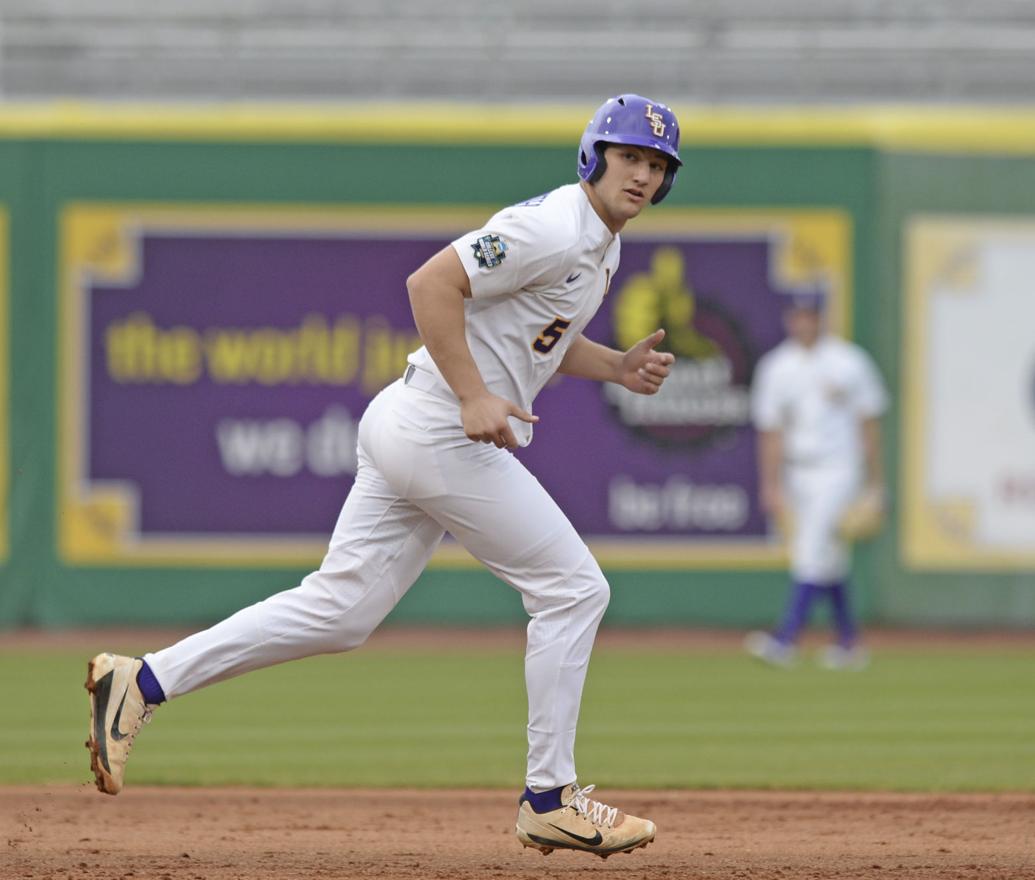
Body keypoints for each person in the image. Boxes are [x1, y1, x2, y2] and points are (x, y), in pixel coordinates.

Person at [85, 94, 682, 859]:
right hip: (437, 426)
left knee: (340, 612)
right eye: (628, 156)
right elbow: (430, 285)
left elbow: (541, 336)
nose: (641, 174)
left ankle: (142, 682)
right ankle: (549, 798)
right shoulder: (555, 225)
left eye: (656, 165)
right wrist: (472, 394)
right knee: (573, 589)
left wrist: (616, 368)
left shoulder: (598, 242)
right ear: (594, 157)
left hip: (412, 423)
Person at [744, 291, 887, 670]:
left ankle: (785, 639)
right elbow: (770, 431)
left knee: (809, 549)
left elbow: (869, 423)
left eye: (811, 315)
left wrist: (875, 485)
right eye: (798, 315)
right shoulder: (776, 366)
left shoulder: (849, 361)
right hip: (797, 469)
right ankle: (849, 643)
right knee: (829, 558)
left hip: (839, 468)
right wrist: (770, 485)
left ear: (822, 317)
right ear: (790, 318)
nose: (804, 322)